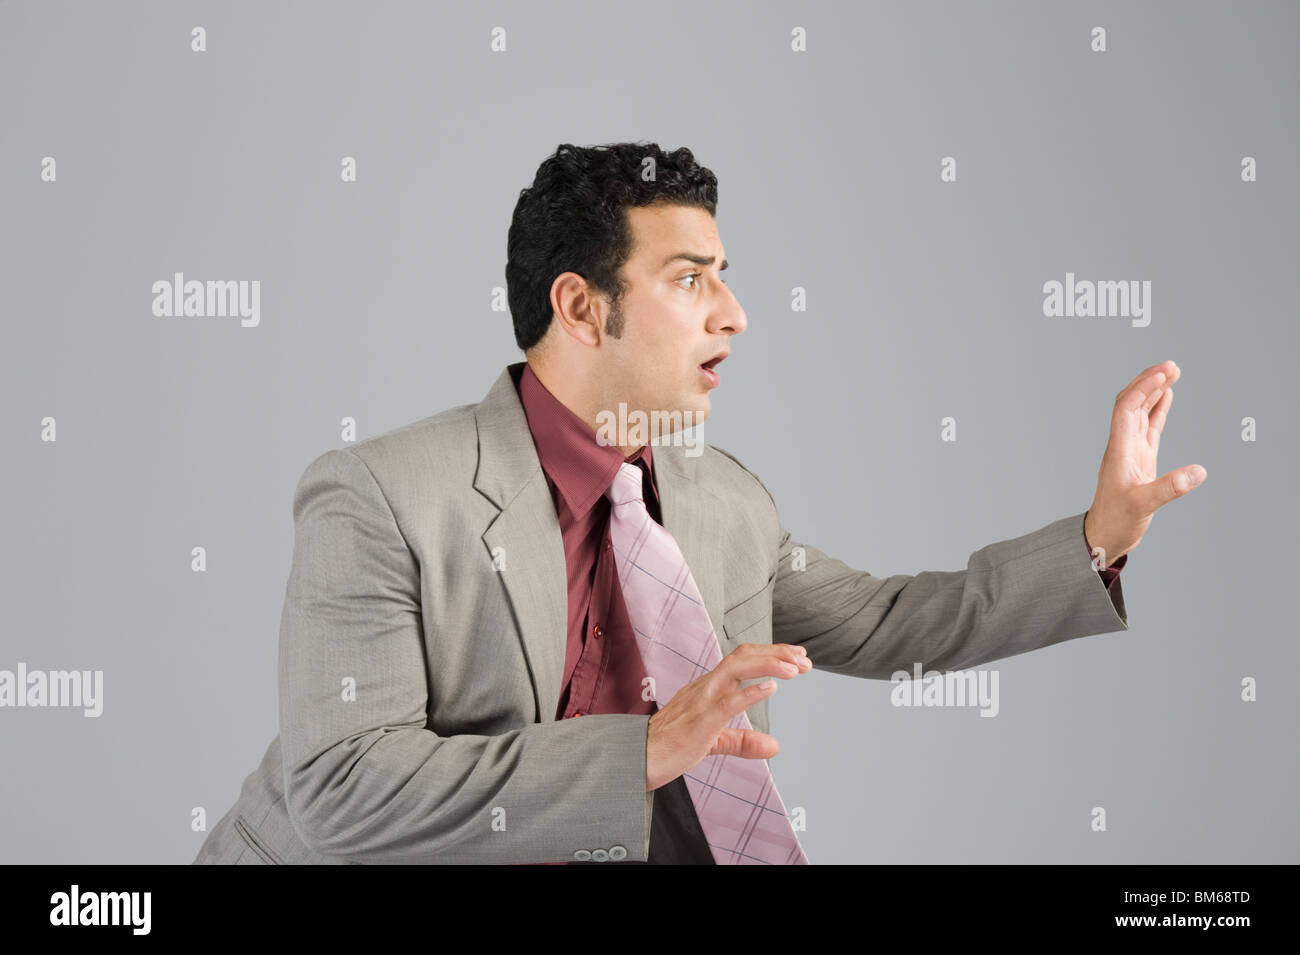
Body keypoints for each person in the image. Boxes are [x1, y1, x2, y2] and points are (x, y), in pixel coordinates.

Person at [193, 142, 1204, 865]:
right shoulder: (380, 497)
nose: (734, 312)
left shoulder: (719, 504)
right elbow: (338, 793)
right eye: (690, 279)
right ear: (581, 307)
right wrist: (643, 751)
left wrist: (1096, 540)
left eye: (725, 275)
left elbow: (893, 621)